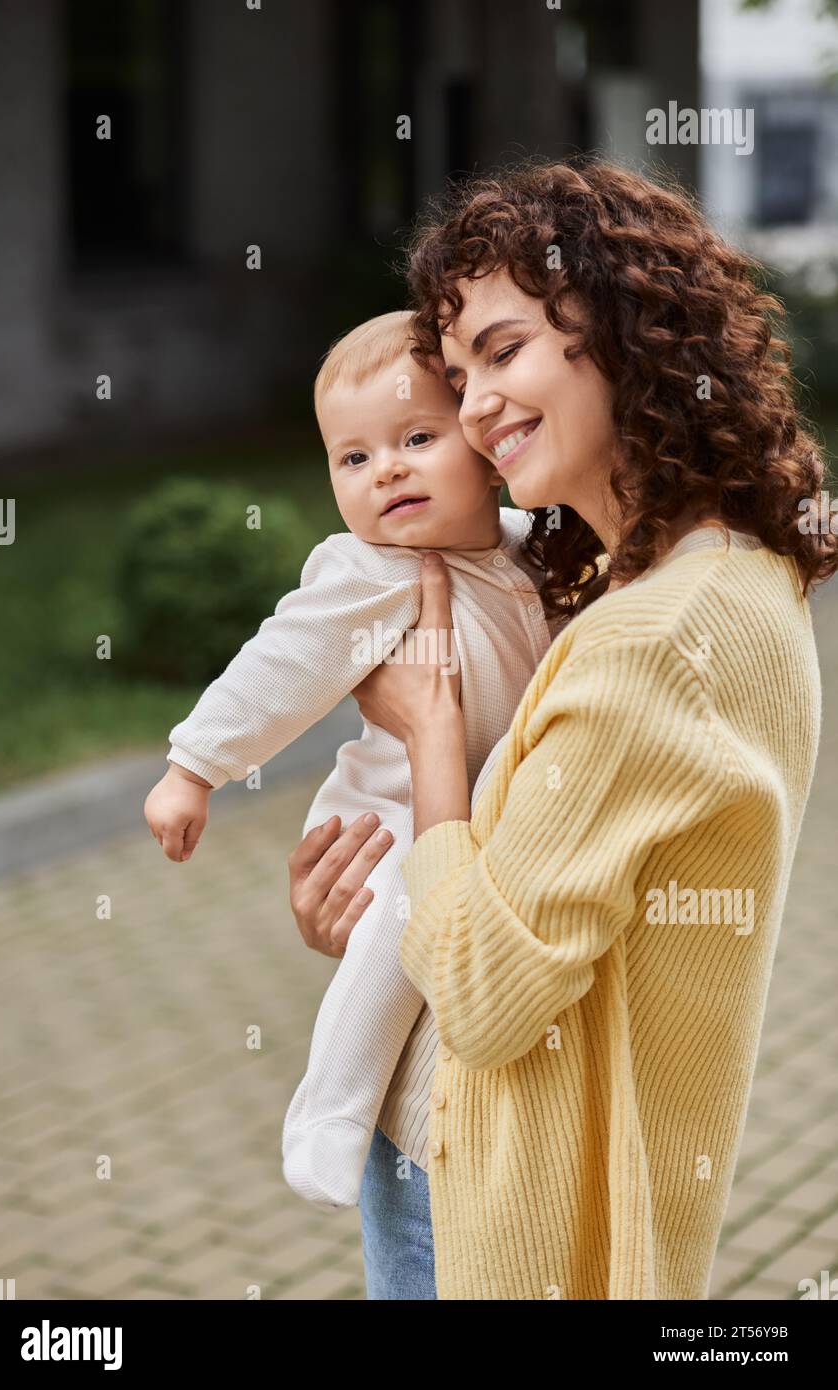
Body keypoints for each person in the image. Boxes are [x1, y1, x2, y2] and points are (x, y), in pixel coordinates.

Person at [286, 159, 837, 1299]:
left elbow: (485, 996)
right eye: (454, 372)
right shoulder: (705, 576)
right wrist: (389, 897)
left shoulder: (656, 636)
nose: (473, 402)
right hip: (478, 1173)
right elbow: (515, 900)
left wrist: (431, 732)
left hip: (494, 1209)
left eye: (504, 349)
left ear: (631, 333)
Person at [144, 310, 555, 1211]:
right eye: (354, 457)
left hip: (491, 815)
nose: (387, 470)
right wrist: (195, 767)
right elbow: (282, 663)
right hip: (396, 814)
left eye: (416, 437)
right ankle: (331, 1110)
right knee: (399, 934)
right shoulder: (373, 570)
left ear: (485, 443)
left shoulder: (538, 548)